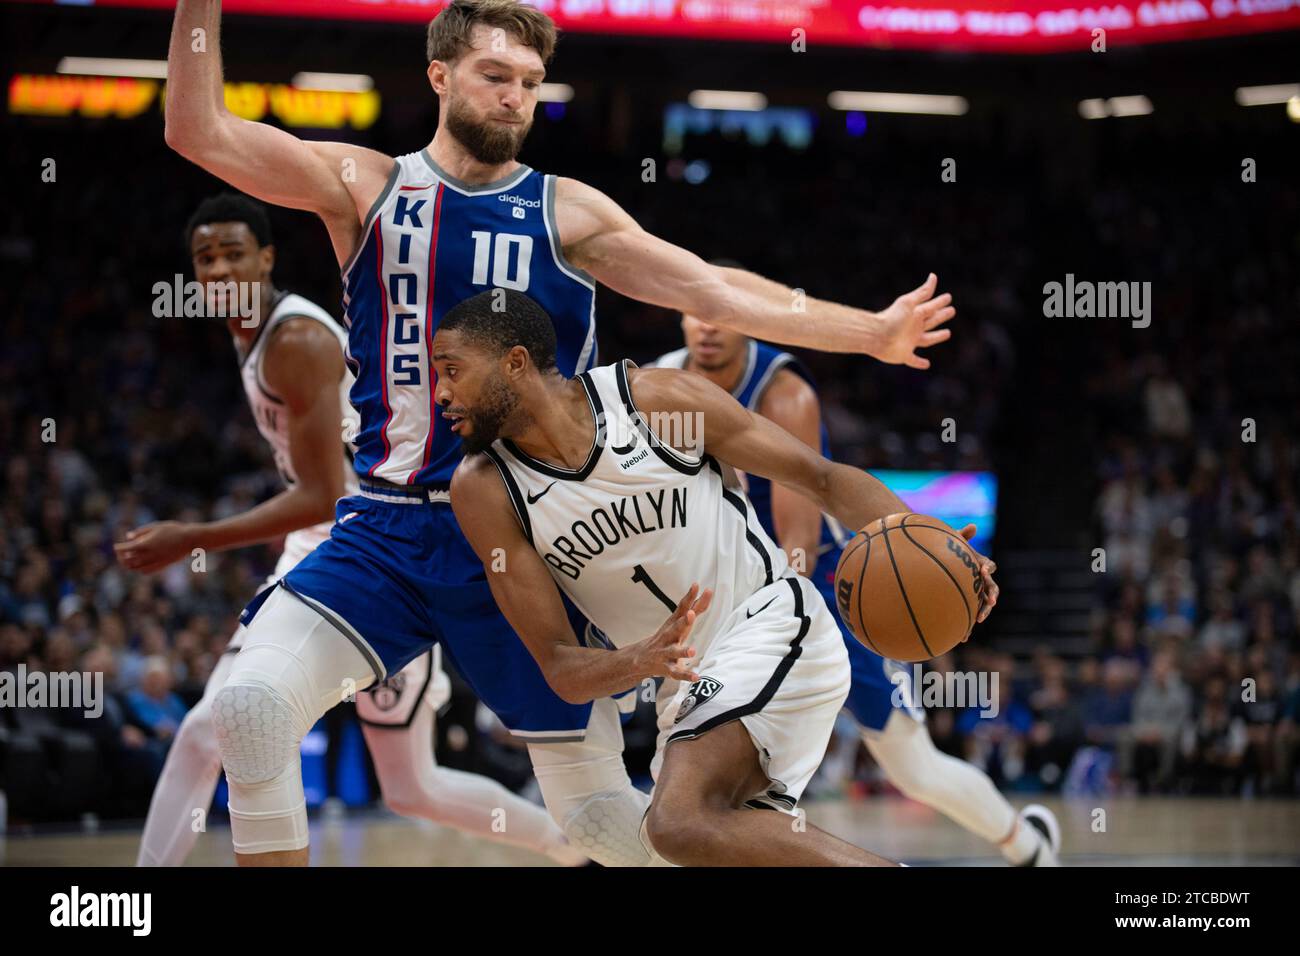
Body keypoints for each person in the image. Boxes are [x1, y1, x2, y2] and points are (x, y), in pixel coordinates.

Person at [164, 0, 956, 865]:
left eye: (531, 84)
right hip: (384, 528)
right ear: (440, 76)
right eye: (494, 76)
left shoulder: (565, 212)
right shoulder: (368, 185)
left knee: (611, 827)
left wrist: (869, 333)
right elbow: (197, 130)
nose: (514, 98)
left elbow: (716, 292)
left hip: (523, 533)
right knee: (249, 710)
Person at [439, 289, 999, 865]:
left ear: (515, 362)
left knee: (679, 823)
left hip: (772, 628)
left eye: (452, 371)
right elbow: (559, 666)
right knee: (698, 840)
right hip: (683, 689)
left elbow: (823, 480)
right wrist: (635, 661)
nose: (441, 394)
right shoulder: (482, 489)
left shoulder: (654, 401)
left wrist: (938, 542)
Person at [117, 194, 584, 867]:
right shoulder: (252, 334)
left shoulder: (296, 341)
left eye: (234, 254)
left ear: (268, 258)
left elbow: (320, 497)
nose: (218, 270)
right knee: (387, 780)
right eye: (205, 258)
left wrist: (190, 537)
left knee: (405, 784)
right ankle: (568, 847)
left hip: (363, 542)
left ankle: (571, 844)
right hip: (350, 539)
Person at [652, 301, 1060, 864]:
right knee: (702, 771)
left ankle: (1031, 849)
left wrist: (757, 626)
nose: (707, 327)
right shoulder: (661, 381)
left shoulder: (783, 393)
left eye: (721, 316)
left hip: (818, 591)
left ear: (746, 320)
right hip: (719, 591)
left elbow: (798, 535)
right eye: (694, 315)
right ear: (680, 321)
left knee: (910, 765)